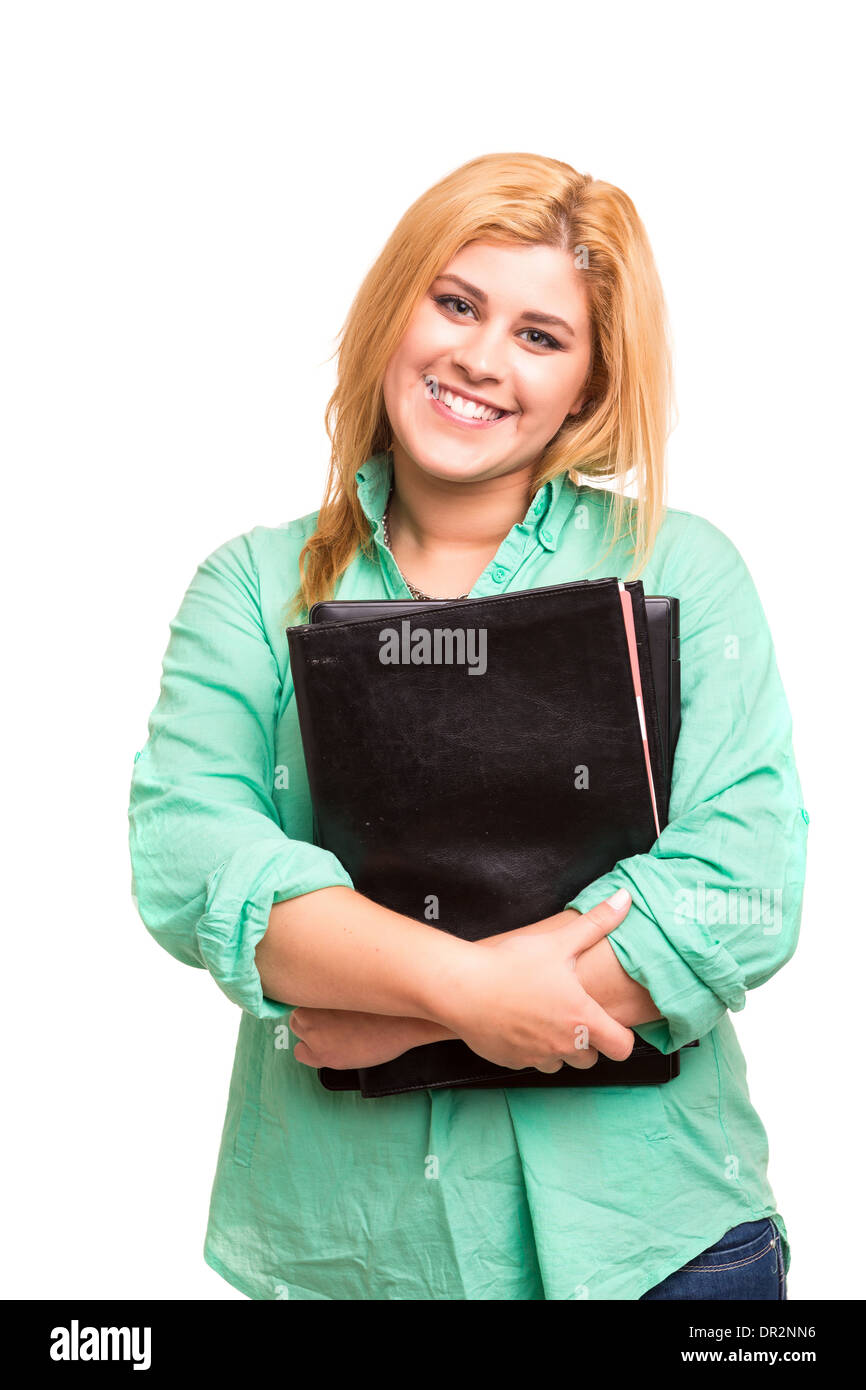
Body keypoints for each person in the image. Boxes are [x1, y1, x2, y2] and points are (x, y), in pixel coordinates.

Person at [127, 152, 807, 1301]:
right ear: (397, 309)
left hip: (664, 1247)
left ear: (589, 385)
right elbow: (200, 866)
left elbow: (742, 888)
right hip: (355, 1255)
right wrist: (467, 993)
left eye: (541, 336)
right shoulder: (247, 587)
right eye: (456, 303)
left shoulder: (681, 568)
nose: (481, 359)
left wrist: (397, 1017)